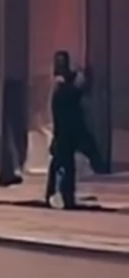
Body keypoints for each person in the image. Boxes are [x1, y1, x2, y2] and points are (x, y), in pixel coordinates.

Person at [44, 51, 97, 209]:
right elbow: (71, 97)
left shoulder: (63, 85)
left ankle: (59, 194)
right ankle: (60, 195)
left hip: (67, 129)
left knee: (62, 164)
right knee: (63, 164)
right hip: (65, 130)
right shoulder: (61, 86)